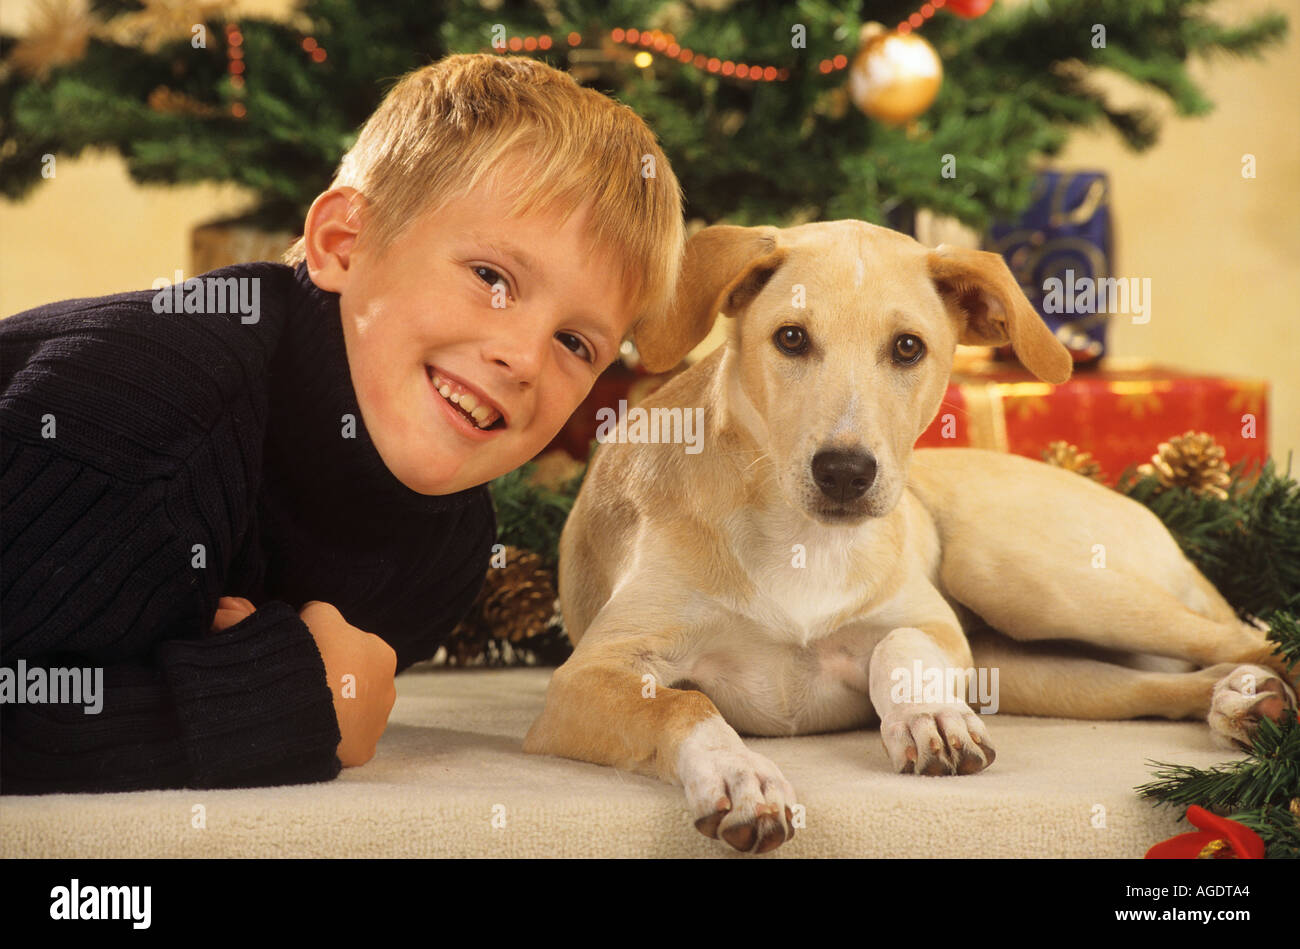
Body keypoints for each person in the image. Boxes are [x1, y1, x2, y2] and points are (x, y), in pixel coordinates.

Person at [0, 53, 685, 794]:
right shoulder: (146, 405)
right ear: (342, 244)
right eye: (492, 277)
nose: (523, 357)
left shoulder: (448, 550)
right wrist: (288, 704)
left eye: (575, 343)